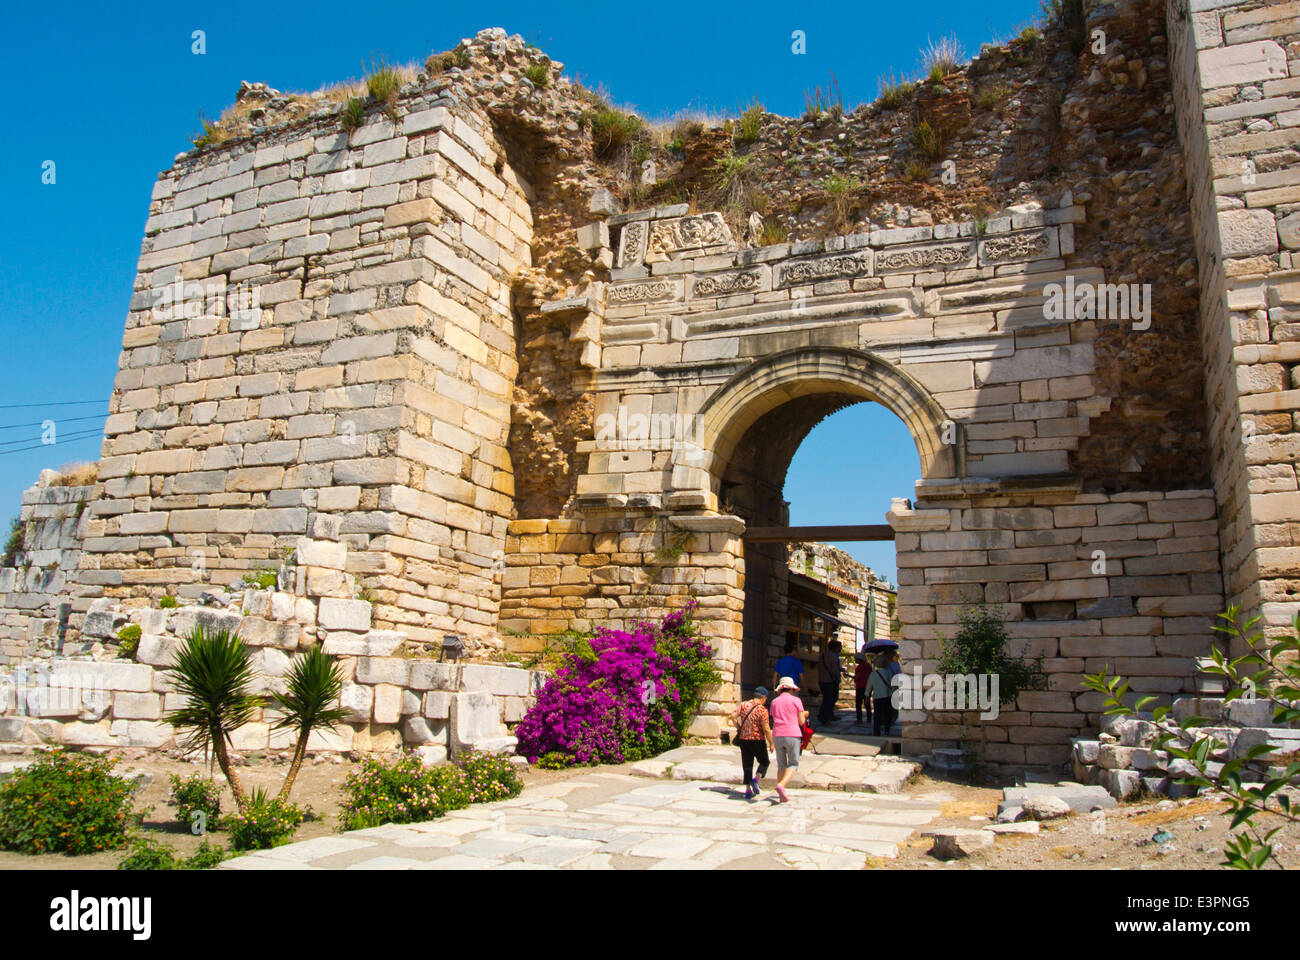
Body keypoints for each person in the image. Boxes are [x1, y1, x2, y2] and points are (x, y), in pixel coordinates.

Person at [769, 677, 808, 803]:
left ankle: (781, 794)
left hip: (777, 735)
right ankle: (782, 785)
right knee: (793, 764)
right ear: (792, 689)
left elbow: (774, 717)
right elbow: (801, 721)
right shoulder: (796, 700)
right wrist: (804, 714)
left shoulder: (774, 702)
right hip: (792, 734)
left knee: (781, 764)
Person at [731, 685, 774, 800]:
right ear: (763, 698)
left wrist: (739, 728)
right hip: (757, 740)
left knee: (747, 765)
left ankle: (748, 790)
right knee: (764, 762)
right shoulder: (762, 710)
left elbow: (733, 716)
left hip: (744, 740)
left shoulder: (743, 705)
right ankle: (756, 779)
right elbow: (766, 728)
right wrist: (771, 743)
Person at [870, 649, 899, 736]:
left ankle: (876, 731)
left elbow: (869, 686)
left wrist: (867, 695)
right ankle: (887, 730)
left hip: (877, 697)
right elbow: (893, 685)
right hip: (888, 696)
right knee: (887, 714)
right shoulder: (890, 673)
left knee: (877, 715)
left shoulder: (873, 674)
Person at [817, 639, 842, 726]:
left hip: (821, 680)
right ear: (835, 648)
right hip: (830, 680)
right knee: (829, 700)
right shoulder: (833, 657)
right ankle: (825, 718)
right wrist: (836, 678)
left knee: (826, 699)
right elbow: (834, 670)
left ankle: (825, 716)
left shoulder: (822, 655)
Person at [853, 651, 872, 725]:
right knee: (867, 703)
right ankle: (869, 718)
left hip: (860, 686)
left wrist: (854, 678)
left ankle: (859, 719)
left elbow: (857, 677)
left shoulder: (859, 667)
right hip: (868, 686)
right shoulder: (868, 666)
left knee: (858, 704)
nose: (855, 660)